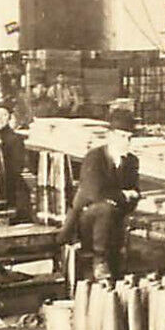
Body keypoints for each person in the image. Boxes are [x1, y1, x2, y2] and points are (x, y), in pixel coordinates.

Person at [59, 108, 139, 278]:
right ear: (110, 136)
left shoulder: (131, 161)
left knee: (110, 211)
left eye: (129, 138)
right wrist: (123, 196)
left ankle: (112, 274)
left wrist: (119, 198)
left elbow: (135, 194)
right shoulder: (94, 157)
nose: (126, 141)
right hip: (86, 219)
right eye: (121, 136)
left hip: (115, 219)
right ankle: (99, 260)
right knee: (104, 208)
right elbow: (94, 192)